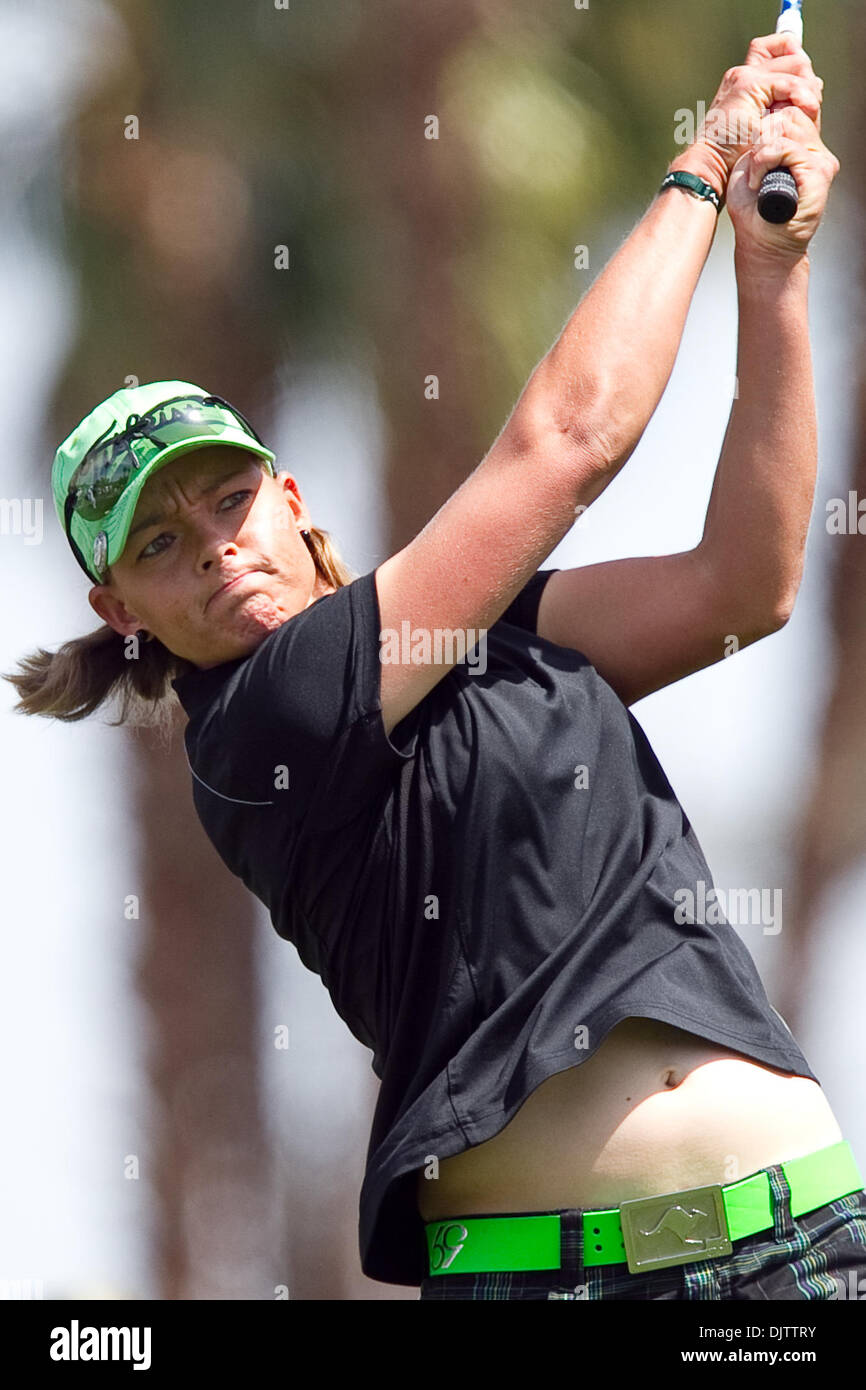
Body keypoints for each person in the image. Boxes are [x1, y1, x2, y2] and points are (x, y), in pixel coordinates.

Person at [6, 30, 863, 1301]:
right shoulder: (260, 729)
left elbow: (741, 588)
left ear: (291, 498)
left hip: (801, 1247)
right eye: (160, 543)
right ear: (117, 607)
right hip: (556, 1281)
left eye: (230, 501)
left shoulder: (495, 636)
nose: (216, 551)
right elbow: (565, 442)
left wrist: (770, 271)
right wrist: (707, 155)